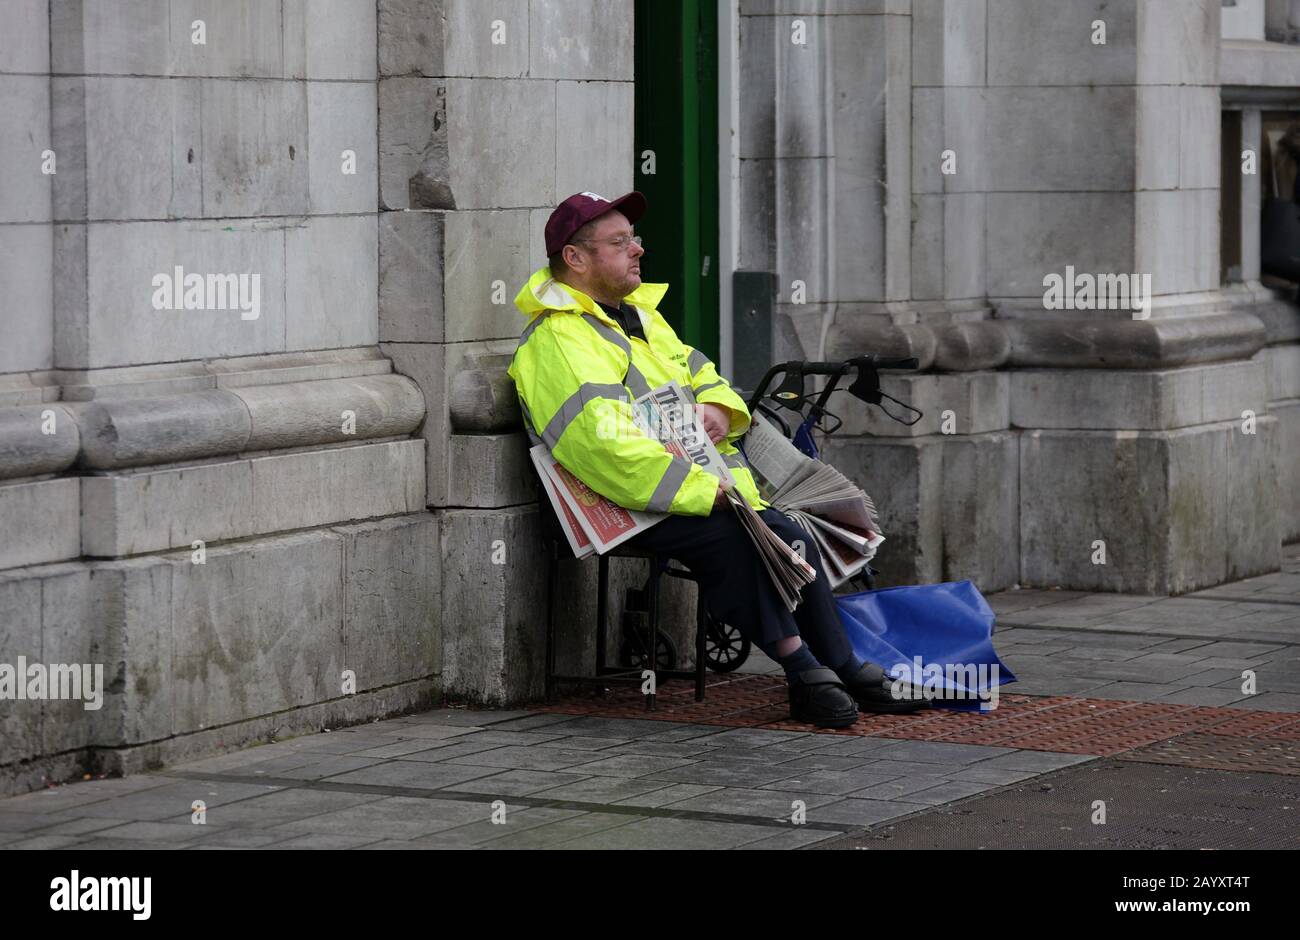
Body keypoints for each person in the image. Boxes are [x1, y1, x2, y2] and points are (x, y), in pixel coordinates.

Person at [508, 190, 926, 728]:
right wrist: (710, 494)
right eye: (619, 242)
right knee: (740, 537)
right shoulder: (560, 339)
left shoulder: (637, 317)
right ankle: (801, 668)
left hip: (678, 491)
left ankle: (840, 667)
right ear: (576, 258)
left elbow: (705, 373)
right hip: (618, 506)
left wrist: (720, 410)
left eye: (634, 239)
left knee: (787, 530)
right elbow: (604, 448)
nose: (638, 249)